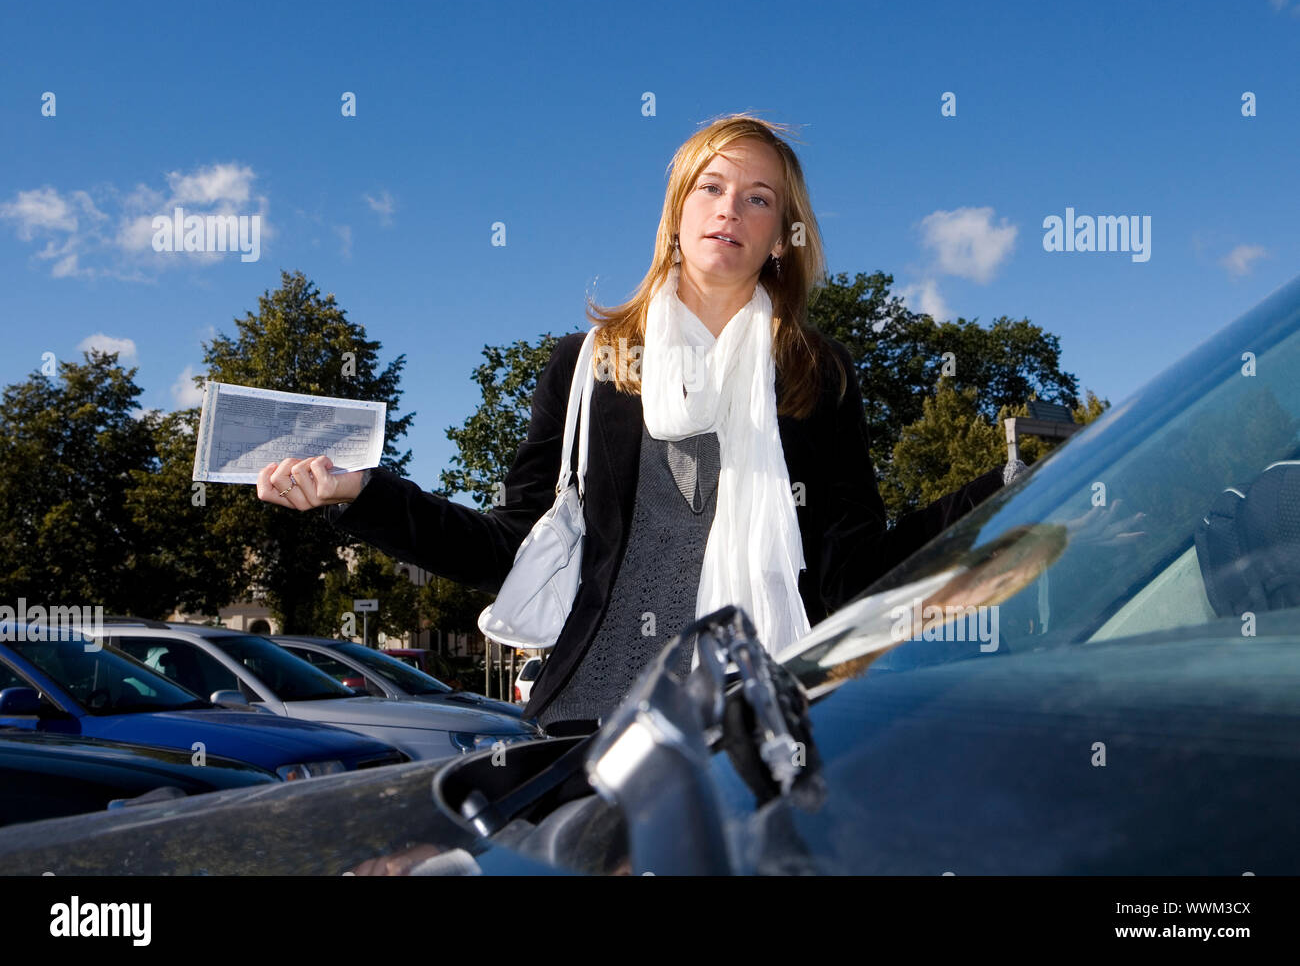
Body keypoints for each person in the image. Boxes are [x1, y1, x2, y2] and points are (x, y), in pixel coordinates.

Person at [255, 114, 1006, 729]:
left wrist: (1008, 492)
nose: (730, 209)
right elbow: (510, 547)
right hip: (590, 724)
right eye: (711, 187)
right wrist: (363, 496)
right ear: (677, 213)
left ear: (782, 236)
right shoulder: (590, 367)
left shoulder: (819, 376)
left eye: (758, 198)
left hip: (764, 725)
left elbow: (854, 573)